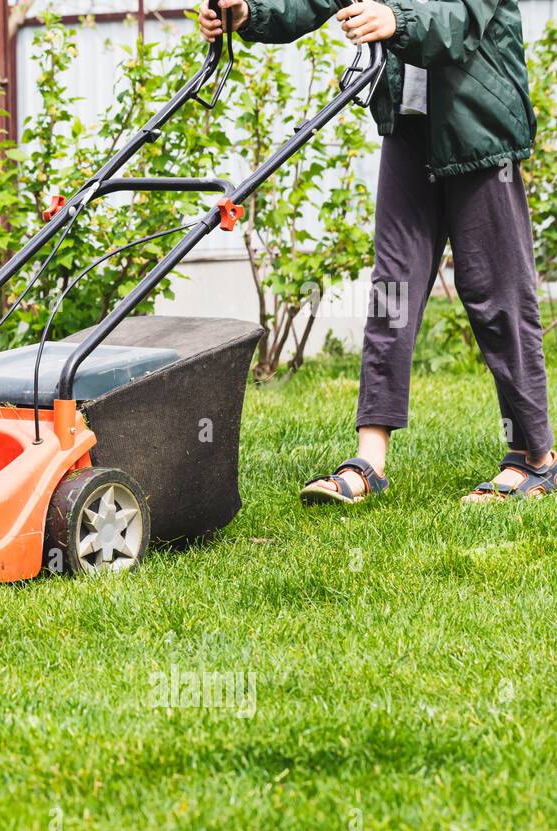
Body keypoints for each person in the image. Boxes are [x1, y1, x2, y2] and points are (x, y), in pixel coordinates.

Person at [199, 0, 554, 503]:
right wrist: (247, 16)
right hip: (409, 133)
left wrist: (396, 21)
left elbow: (459, 19)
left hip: (481, 136)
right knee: (392, 294)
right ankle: (370, 460)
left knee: (498, 297)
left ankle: (533, 457)